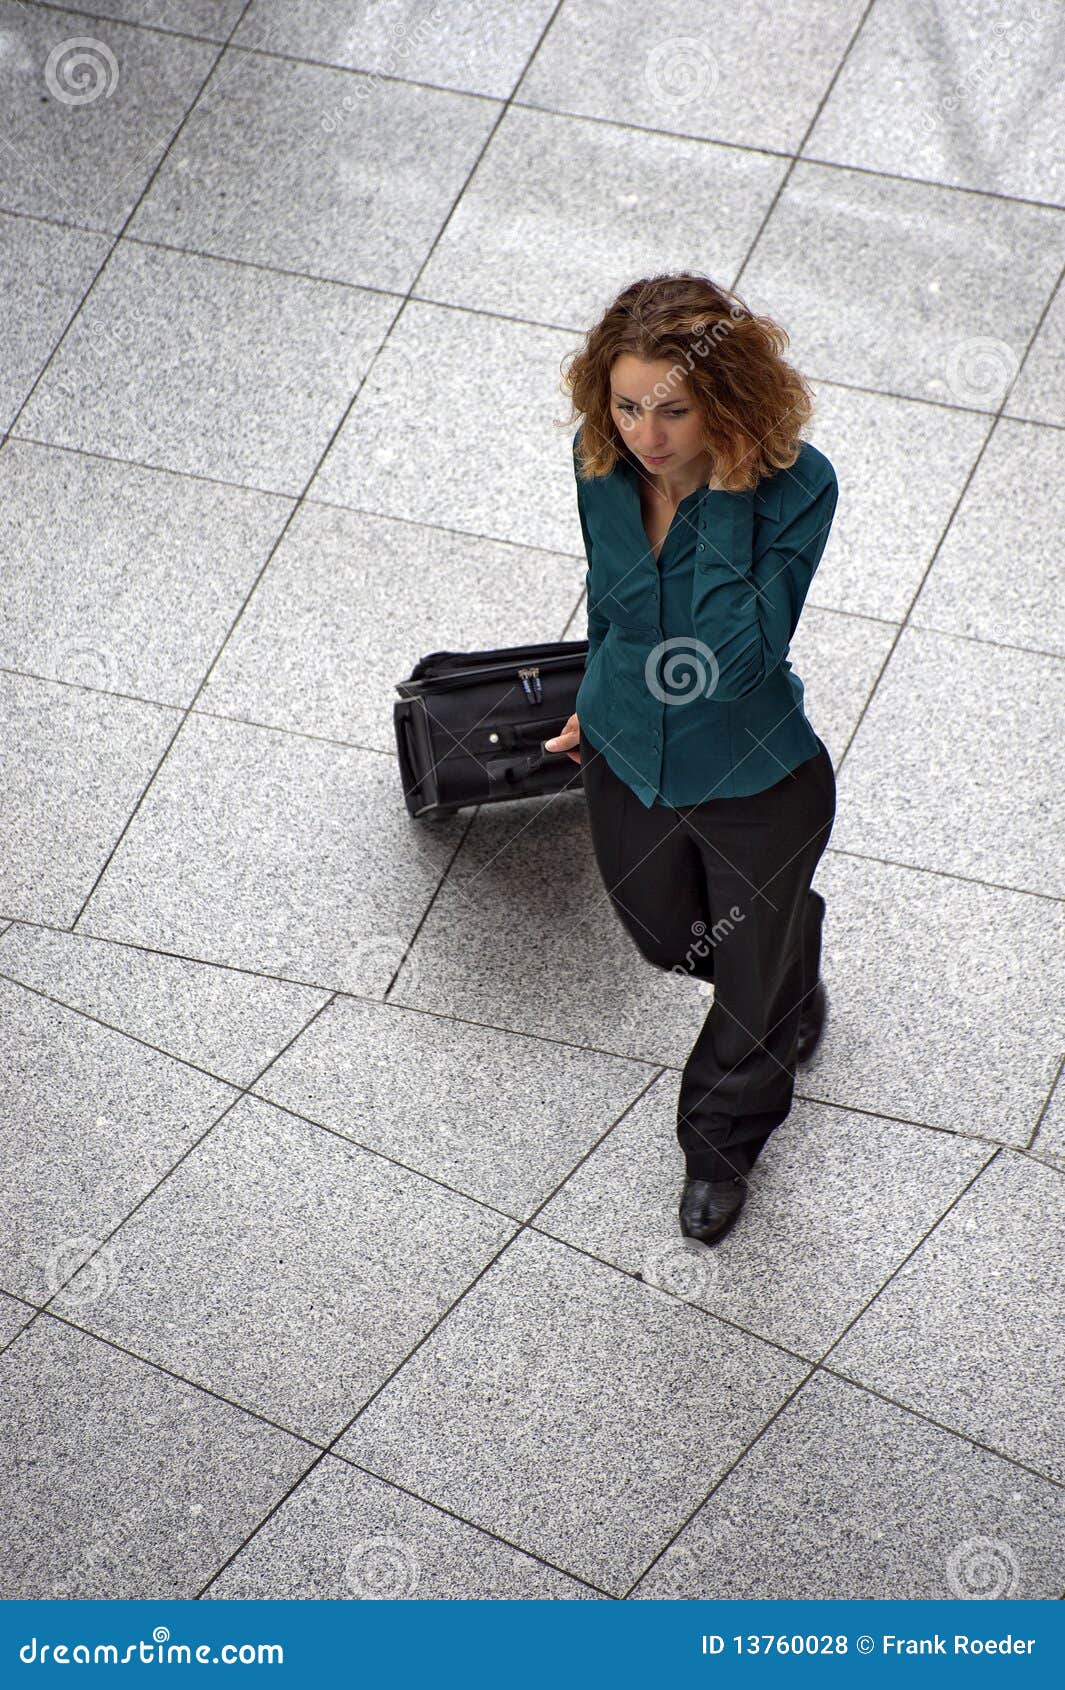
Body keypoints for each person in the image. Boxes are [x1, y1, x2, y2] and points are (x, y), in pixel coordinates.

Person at [544, 272, 838, 1247]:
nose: (646, 435)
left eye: (673, 410)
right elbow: (610, 600)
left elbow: (734, 658)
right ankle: (789, 947)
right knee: (667, 941)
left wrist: (731, 491)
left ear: (727, 397)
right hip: (626, 753)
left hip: (758, 782)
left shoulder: (798, 486)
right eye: (627, 405)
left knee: (747, 989)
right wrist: (594, 698)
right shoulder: (598, 460)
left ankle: (719, 1145)